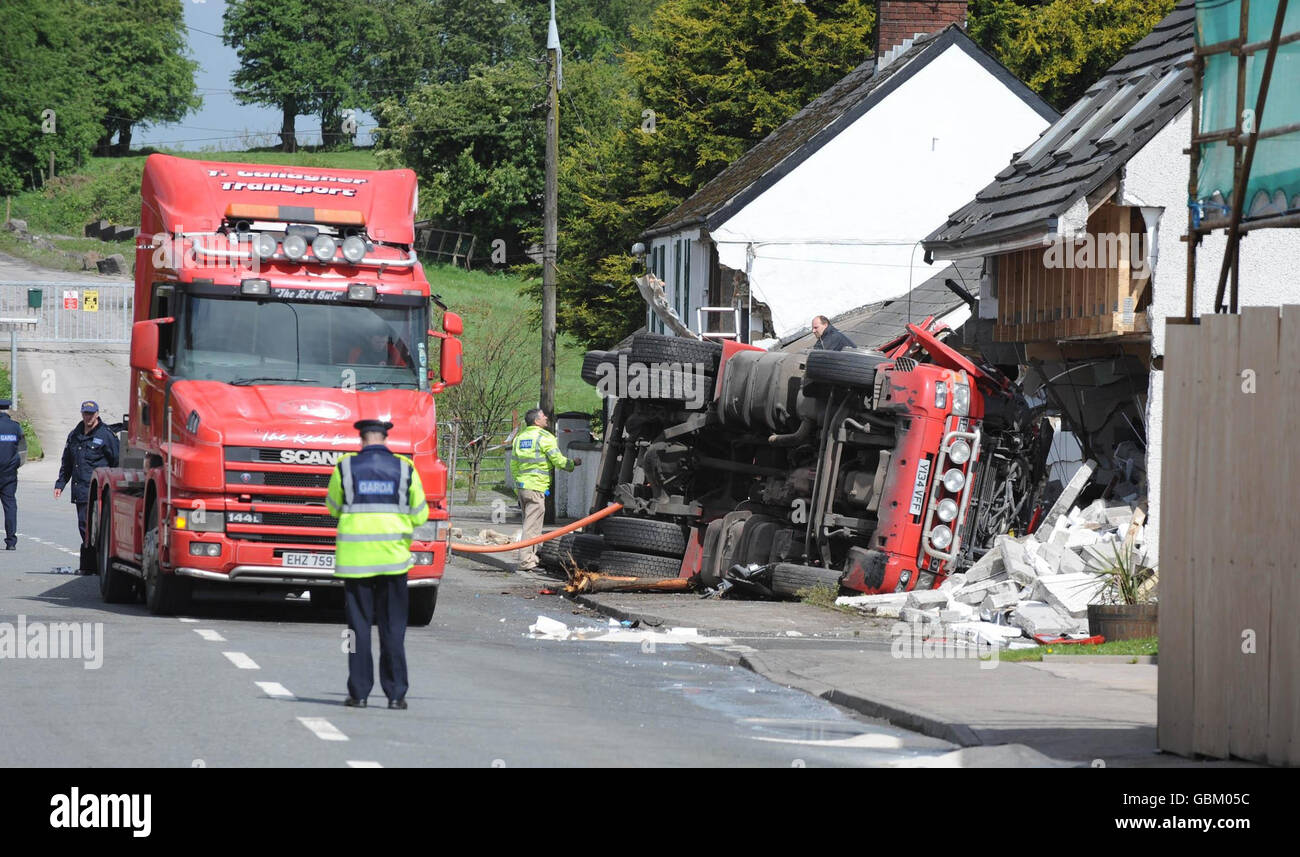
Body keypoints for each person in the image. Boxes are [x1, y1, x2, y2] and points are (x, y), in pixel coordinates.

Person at [326, 419, 428, 710]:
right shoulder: (405, 468)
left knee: (358, 629)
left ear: (362, 439)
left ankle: (359, 694)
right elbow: (420, 515)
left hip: (355, 561)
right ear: (385, 439)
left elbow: (332, 506)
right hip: (393, 559)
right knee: (392, 627)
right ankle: (396, 695)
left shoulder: (345, 467)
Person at [510, 409, 579, 572]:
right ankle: (526, 560)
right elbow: (559, 461)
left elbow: (513, 465)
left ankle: (532, 558)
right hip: (536, 487)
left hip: (522, 488)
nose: (546, 418)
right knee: (531, 527)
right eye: (543, 416)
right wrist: (572, 464)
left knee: (531, 525)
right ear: (536, 421)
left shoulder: (519, 437)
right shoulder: (545, 437)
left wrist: (518, 485)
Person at [54, 401, 119, 545]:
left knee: (97, 527)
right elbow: (67, 462)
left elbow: (116, 462)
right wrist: (60, 484)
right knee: (83, 524)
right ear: (82, 414)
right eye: (86, 413)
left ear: (97, 414)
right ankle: (90, 557)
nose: (88, 417)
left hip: (99, 491)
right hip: (81, 490)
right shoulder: (74, 435)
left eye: (91, 414)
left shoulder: (106, 435)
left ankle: (95, 559)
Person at [0, 400, 23, 551]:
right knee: (10, 506)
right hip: (8, 474)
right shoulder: (15, 427)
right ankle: (11, 542)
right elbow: (21, 449)